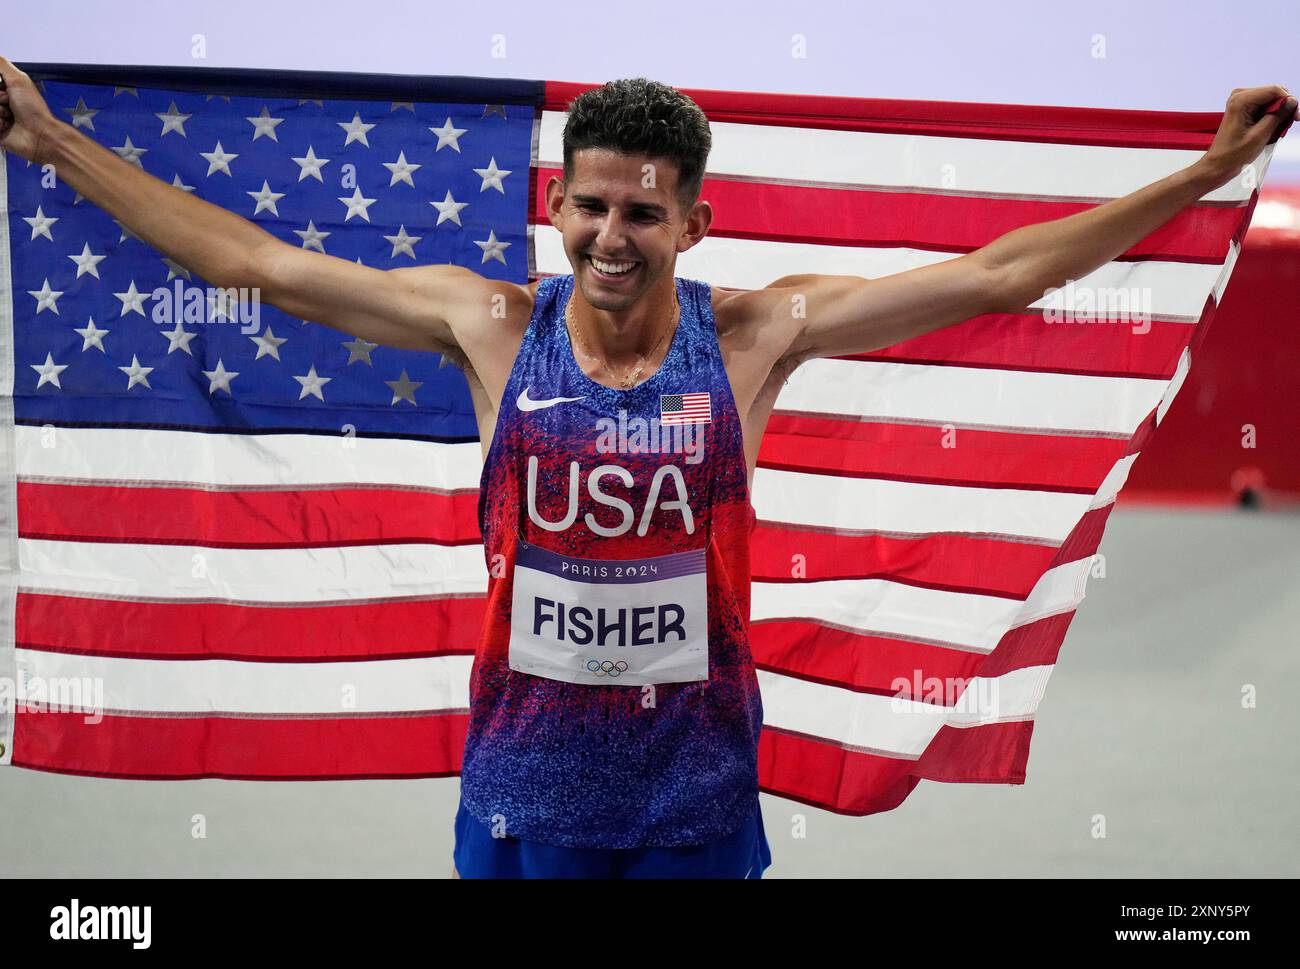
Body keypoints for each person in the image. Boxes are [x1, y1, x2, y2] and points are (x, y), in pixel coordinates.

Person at [1, 57, 1292, 878]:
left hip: (697, 783)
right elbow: (259, 266)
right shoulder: (487, 324)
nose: (610, 234)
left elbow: (1006, 272)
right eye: (590, 205)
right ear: (557, 205)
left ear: (693, 220)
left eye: (641, 210)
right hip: (525, 781)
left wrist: (1212, 169)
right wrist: (56, 144)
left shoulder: (756, 333)